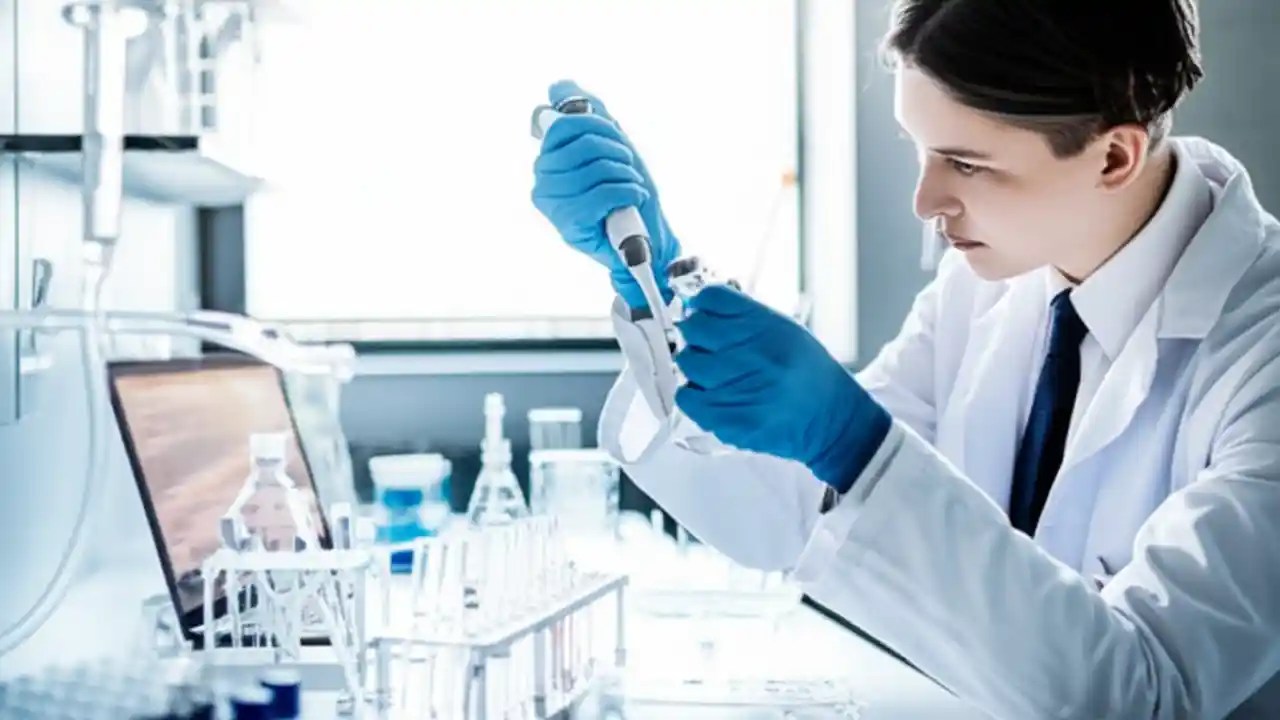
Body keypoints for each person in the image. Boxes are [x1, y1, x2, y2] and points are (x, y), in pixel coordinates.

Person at [531, 1, 1280, 717]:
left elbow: (1142, 695)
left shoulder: (1262, 354)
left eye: (965, 162)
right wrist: (657, 290)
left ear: (1114, 155)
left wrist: (855, 445)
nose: (925, 200)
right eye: (919, 150)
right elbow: (796, 513)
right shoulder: (989, 285)